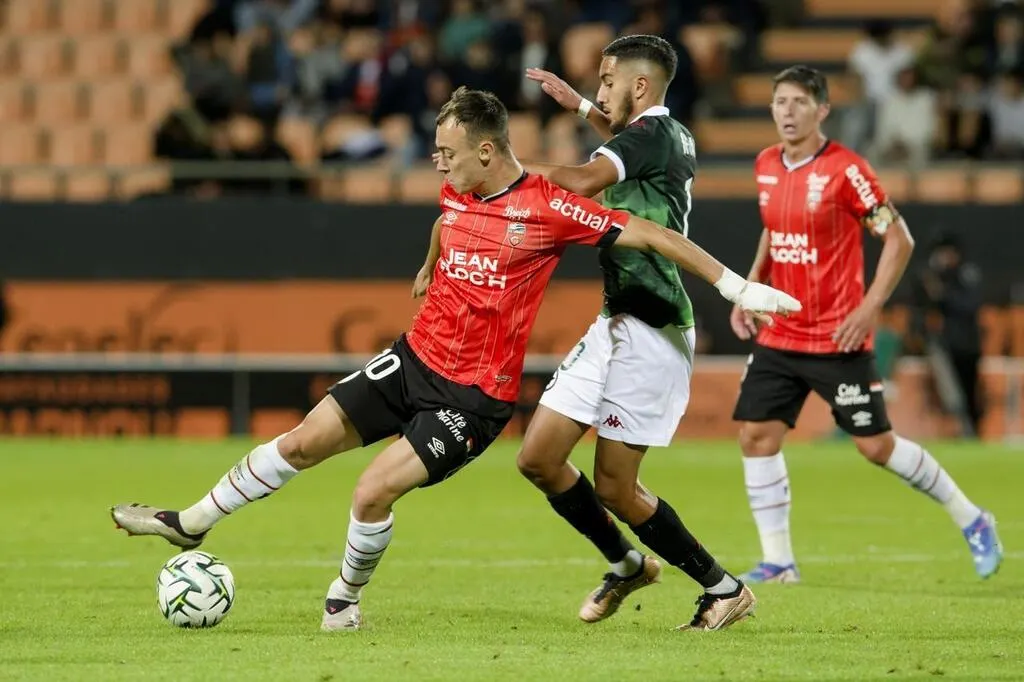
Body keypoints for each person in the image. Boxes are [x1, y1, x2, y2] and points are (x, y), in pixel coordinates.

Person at [111, 86, 800, 631]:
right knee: (300, 441)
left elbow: (646, 231)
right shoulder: (458, 190)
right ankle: (190, 523)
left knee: (370, 492)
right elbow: (447, 219)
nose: (437, 161)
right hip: (412, 359)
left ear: (489, 150)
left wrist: (735, 285)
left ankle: (343, 602)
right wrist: (428, 264)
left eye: (447, 150)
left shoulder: (548, 209)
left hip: (469, 398)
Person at [489, 33, 756, 631]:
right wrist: (585, 108)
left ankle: (723, 588)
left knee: (615, 486)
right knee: (538, 458)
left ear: (639, 86)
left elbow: (583, 182)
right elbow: (628, 147)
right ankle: (628, 562)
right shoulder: (668, 133)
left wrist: (501, 172)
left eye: (607, 82)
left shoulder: (652, 134)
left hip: (654, 327)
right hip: (616, 318)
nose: (600, 90)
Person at [730, 65, 1002, 585]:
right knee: (756, 436)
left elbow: (898, 239)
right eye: (779, 102)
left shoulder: (846, 170)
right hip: (782, 333)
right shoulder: (765, 164)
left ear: (822, 111)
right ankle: (779, 561)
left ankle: (973, 518)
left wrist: (869, 306)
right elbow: (773, 231)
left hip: (837, 335)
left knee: (876, 446)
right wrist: (749, 287)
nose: (787, 112)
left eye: (799, 103)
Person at [913, 233, 984, 437]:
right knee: (952, 392)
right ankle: (961, 430)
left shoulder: (966, 274)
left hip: (968, 344)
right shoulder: (931, 276)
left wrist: (942, 295)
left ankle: (972, 431)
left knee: (970, 390)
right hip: (945, 344)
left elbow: (970, 305)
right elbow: (922, 309)